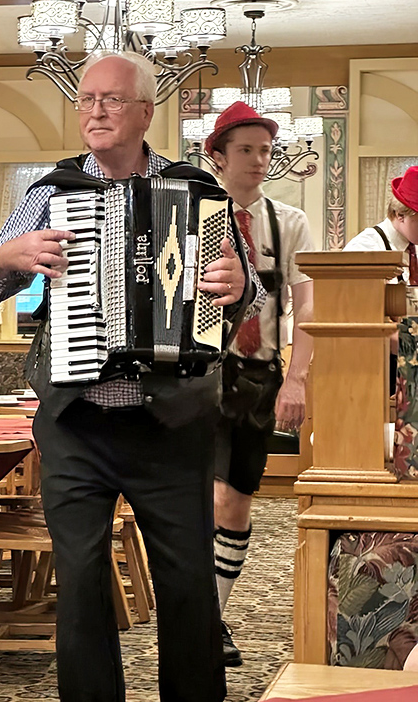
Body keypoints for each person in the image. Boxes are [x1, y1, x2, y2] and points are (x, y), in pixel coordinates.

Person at [0, 52, 266, 702]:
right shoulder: (50, 192)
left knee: (186, 586)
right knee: (78, 585)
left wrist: (236, 286)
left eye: (110, 99)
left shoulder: (198, 190)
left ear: (144, 112)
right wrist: (7, 255)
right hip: (76, 424)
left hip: (172, 423)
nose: (95, 111)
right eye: (86, 99)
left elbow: (249, 291)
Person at [206, 102, 315, 667]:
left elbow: (307, 307)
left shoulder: (289, 222)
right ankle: (201, 618)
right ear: (218, 156)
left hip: (256, 376)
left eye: (266, 150)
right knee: (201, 499)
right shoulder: (194, 214)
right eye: (246, 149)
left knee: (235, 500)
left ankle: (212, 616)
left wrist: (297, 379)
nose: (259, 160)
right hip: (198, 375)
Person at [344, 165, 418, 392]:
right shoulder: (365, 249)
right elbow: (359, 322)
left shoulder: (413, 248)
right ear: (399, 214)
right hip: (374, 368)